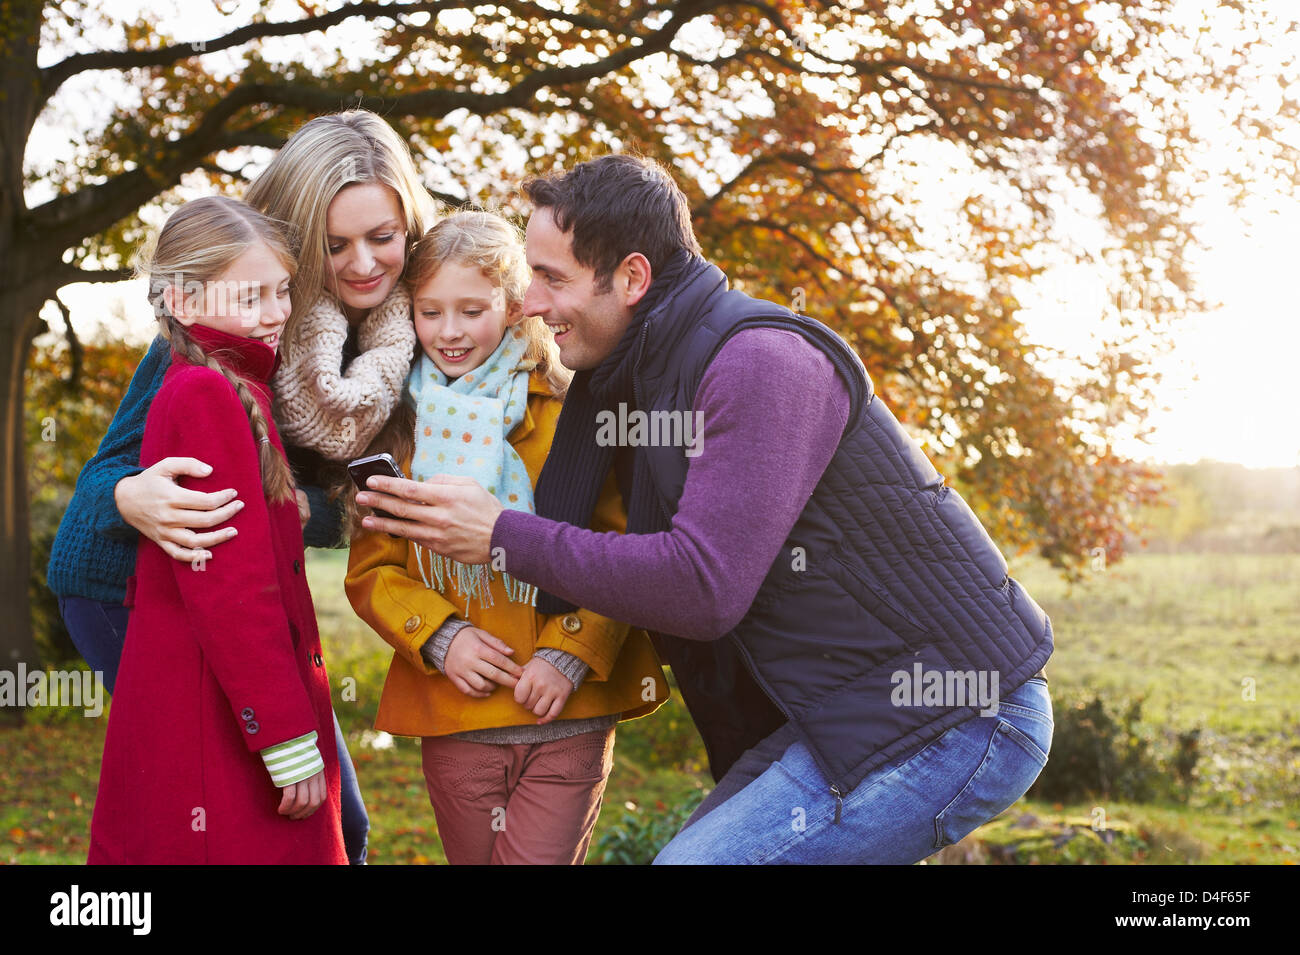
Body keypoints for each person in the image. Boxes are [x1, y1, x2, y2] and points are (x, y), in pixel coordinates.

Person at [355, 154, 1055, 865]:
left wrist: (503, 534)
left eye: (552, 278)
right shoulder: (632, 377)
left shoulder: (759, 361)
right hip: (840, 713)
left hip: (960, 718)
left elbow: (703, 584)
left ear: (631, 278)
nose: (529, 303)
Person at [46, 109, 438, 864]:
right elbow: (103, 479)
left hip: (243, 589)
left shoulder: (412, 324)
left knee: (323, 823)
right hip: (131, 587)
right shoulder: (235, 309)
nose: (362, 263)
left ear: (410, 226)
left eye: (382, 237)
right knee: (231, 817)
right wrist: (132, 495)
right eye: (334, 244)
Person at [344, 211, 667, 864]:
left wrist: (569, 650)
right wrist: (439, 634)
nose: (451, 331)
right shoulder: (398, 430)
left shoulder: (574, 412)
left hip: (564, 710)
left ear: (517, 305)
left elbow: (622, 547)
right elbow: (374, 569)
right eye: (431, 312)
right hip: (456, 709)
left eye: (471, 309)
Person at [89, 197, 346, 864]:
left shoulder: (234, 384)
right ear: (181, 297)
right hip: (218, 715)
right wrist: (287, 740)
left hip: (227, 705)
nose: (275, 311)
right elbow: (232, 589)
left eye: (282, 291)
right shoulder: (205, 393)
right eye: (250, 295)